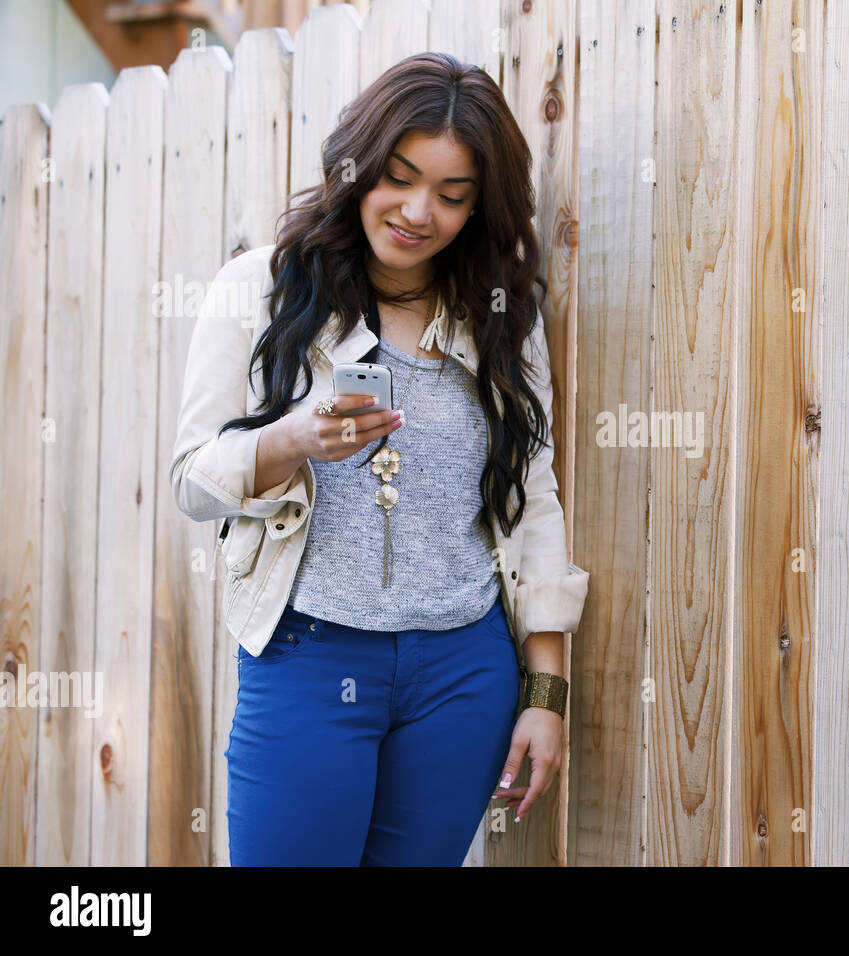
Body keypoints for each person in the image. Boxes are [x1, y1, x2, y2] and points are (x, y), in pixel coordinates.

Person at [169, 52, 589, 865]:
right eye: (399, 178)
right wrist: (294, 438)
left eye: (452, 195)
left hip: (461, 674)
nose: (416, 211)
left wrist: (546, 692)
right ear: (357, 164)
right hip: (309, 657)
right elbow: (193, 479)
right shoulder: (257, 289)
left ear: (479, 208)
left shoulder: (502, 315)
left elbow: (532, 497)